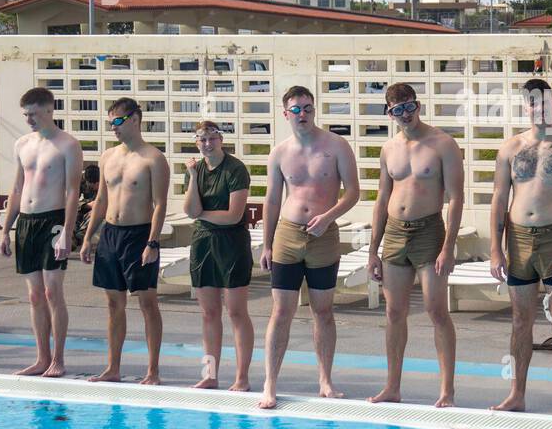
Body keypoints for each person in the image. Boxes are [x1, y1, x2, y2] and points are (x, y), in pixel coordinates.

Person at [488, 78, 552, 416]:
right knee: (520, 320)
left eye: (545, 104)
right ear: (527, 107)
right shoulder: (510, 148)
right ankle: (517, 393)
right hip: (518, 239)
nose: (539, 110)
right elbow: (500, 199)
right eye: (533, 104)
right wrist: (495, 248)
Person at [258, 87, 359, 408]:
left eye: (307, 108)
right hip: (287, 236)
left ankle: (325, 381)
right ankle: (270, 385)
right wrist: (267, 243)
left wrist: (327, 218)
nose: (302, 114)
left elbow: (353, 193)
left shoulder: (337, 146)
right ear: (285, 113)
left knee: (323, 310)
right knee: (281, 311)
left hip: (323, 237)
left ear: (314, 110)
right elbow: (272, 200)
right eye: (296, 109)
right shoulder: (279, 153)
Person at [368, 83, 464, 407]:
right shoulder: (388, 149)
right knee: (395, 312)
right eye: (398, 110)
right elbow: (382, 199)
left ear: (418, 105)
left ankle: (446, 391)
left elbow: (456, 197)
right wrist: (372, 250)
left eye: (410, 107)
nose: (406, 115)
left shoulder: (442, 144)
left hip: (429, 232)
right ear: (389, 112)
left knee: (436, 310)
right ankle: (392, 386)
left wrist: (448, 246)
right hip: (395, 233)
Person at [79, 98, 169, 384]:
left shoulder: (153, 158)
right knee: (113, 304)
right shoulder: (108, 157)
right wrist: (87, 238)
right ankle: (113, 368)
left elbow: (160, 204)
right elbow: (101, 201)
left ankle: (153, 370)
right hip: (110, 235)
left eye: (117, 121)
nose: (113, 127)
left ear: (134, 119)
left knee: (147, 303)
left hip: (139, 235)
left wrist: (152, 243)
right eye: (110, 122)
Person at [0, 87, 82, 378]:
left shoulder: (68, 145)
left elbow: (73, 192)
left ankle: (58, 359)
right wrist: (6, 229)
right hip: (27, 223)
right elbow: (17, 188)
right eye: (25, 115)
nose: (29, 119)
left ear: (49, 110)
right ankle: (41, 357)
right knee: (35, 296)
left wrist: (66, 233)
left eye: (33, 114)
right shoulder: (22, 143)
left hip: (53, 221)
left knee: (52, 292)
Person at [184, 120, 254, 392]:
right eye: (201, 139)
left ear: (221, 140)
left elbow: (233, 215)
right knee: (208, 313)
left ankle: (242, 378)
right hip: (203, 244)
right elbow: (190, 208)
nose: (207, 143)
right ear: (196, 143)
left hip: (232, 243)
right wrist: (191, 178)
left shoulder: (235, 169)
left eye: (212, 138)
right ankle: (210, 375)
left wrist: (200, 214)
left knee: (236, 312)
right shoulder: (195, 169)